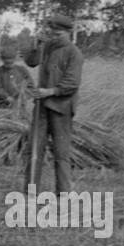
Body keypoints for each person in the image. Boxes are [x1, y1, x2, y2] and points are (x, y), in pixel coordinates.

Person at [23, 13, 84, 193]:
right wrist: (38, 44)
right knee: (34, 149)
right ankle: (30, 191)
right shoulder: (48, 46)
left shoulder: (74, 53)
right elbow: (31, 62)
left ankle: (63, 193)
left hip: (61, 108)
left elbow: (72, 84)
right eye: (53, 34)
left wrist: (49, 92)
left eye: (59, 35)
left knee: (61, 153)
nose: (55, 38)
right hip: (41, 107)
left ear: (68, 33)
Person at [0, 42, 34, 110]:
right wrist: (6, 97)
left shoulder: (22, 70)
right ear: (2, 59)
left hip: (20, 106)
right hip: (2, 106)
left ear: (15, 59)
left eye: (11, 62)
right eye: (6, 63)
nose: (9, 65)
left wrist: (23, 96)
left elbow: (31, 86)